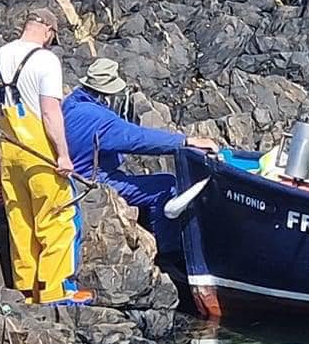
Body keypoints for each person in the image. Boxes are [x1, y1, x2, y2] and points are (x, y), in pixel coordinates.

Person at [0, 7, 91, 305]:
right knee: (58, 219)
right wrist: (63, 155)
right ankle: (56, 292)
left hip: (10, 155)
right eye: (52, 37)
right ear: (47, 30)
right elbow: (50, 112)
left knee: (20, 222)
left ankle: (27, 291)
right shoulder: (45, 60)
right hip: (40, 154)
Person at [61, 57, 219, 256]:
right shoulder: (100, 120)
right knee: (167, 185)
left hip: (72, 175)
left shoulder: (72, 102)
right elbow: (138, 139)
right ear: (107, 93)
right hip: (93, 181)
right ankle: (168, 252)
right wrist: (185, 141)